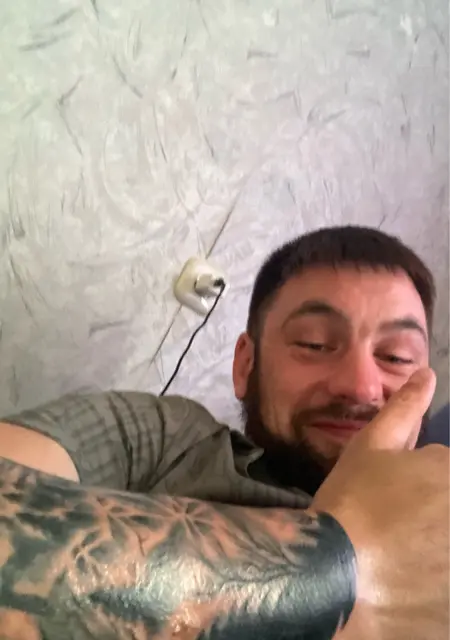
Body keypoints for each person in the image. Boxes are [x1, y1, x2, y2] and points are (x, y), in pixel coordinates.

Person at [0, 225, 447, 640]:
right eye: (314, 343)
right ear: (245, 365)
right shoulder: (165, 439)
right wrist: (339, 567)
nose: (361, 387)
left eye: (396, 356)